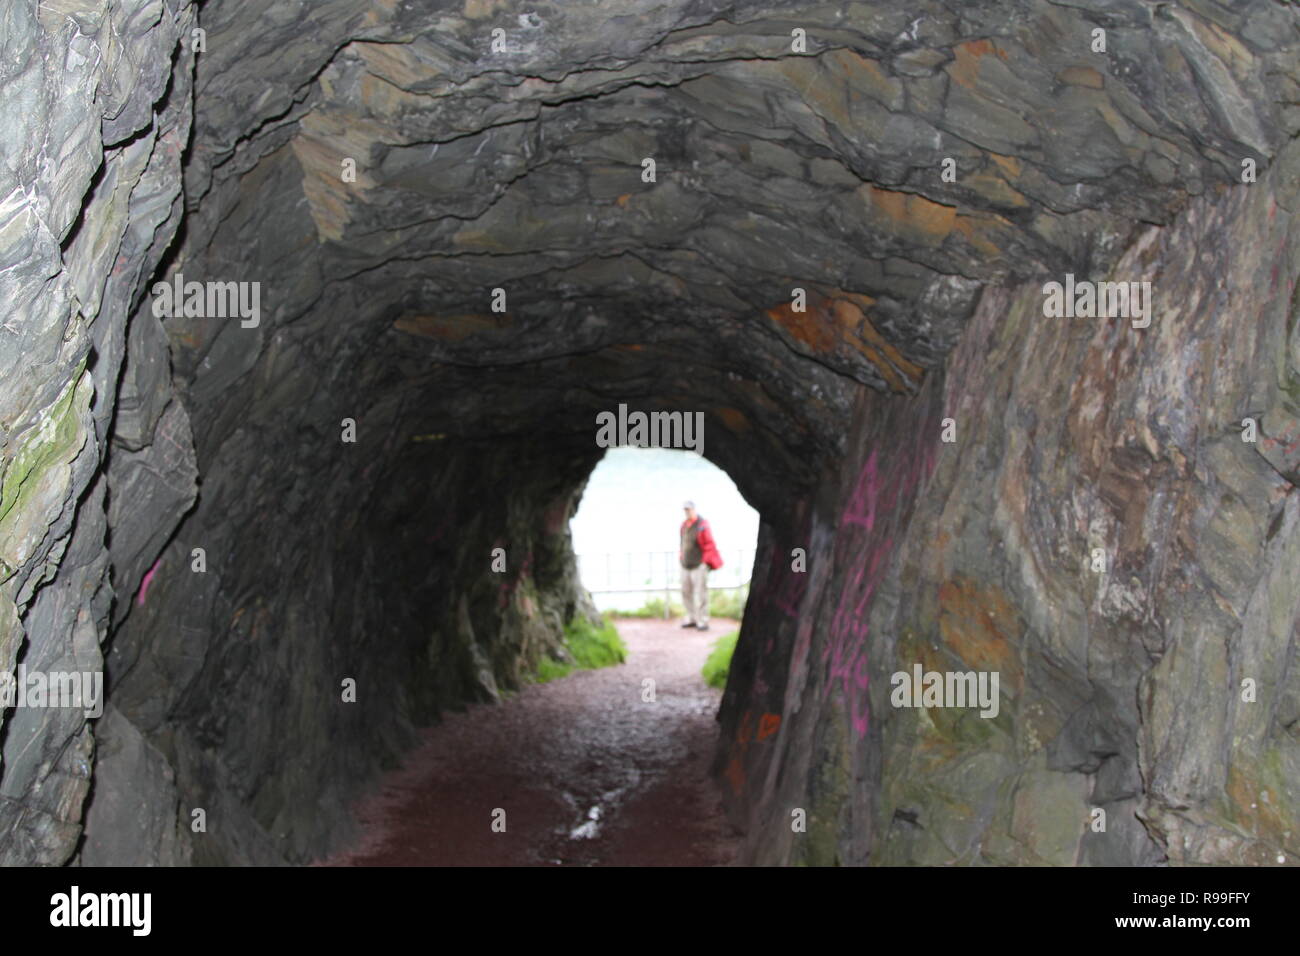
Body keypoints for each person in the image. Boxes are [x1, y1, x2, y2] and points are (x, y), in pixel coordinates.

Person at [679, 501, 723, 630]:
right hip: (685, 564)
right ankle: (691, 617)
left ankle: (702, 620)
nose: (687, 512)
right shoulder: (684, 525)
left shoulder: (702, 525)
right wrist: (681, 557)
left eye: (689, 509)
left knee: (701, 593)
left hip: (699, 564)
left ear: (694, 509)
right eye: (685, 510)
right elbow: (682, 543)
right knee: (686, 592)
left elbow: (709, 544)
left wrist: (705, 561)